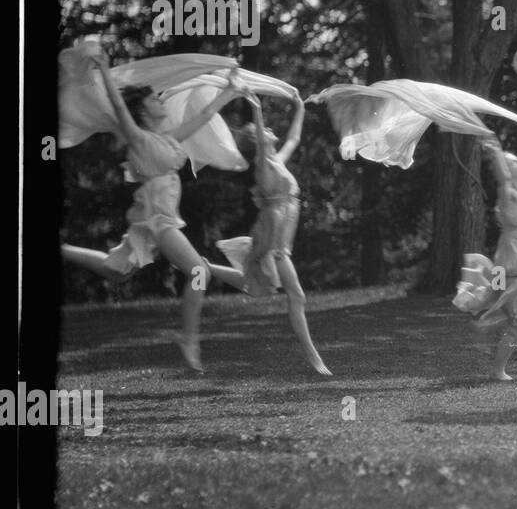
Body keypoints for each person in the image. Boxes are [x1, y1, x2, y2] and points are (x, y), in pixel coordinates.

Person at [61, 51, 242, 373]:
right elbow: (118, 107)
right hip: (158, 221)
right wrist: (103, 69)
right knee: (200, 272)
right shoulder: (139, 137)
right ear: (143, 111)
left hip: (157, 220)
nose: (161, 101)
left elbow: (203, 115)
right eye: (155, 100)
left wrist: (230, 90)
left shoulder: (167, 139)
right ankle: (189, 339)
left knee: (117, 272)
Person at [206, 89, 333, 376]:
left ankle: (206, 267)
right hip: (273, 238)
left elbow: (294, 138)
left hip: (279, 236)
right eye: (265, 130)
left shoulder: (277, 161)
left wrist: (300, 107)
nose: (272, 130)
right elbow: (264, 145)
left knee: (259, 284)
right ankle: (312, 356)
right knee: (295, 295)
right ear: (259, 141)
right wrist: (257, 110)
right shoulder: (263, 165)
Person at [455, 128, 517, 381]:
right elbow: (502, 179)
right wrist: (495, 150)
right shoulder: (507, 195)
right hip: (509, 270)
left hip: (512, 270)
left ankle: (482, 324)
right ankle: (498, 370)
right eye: (514, 161)